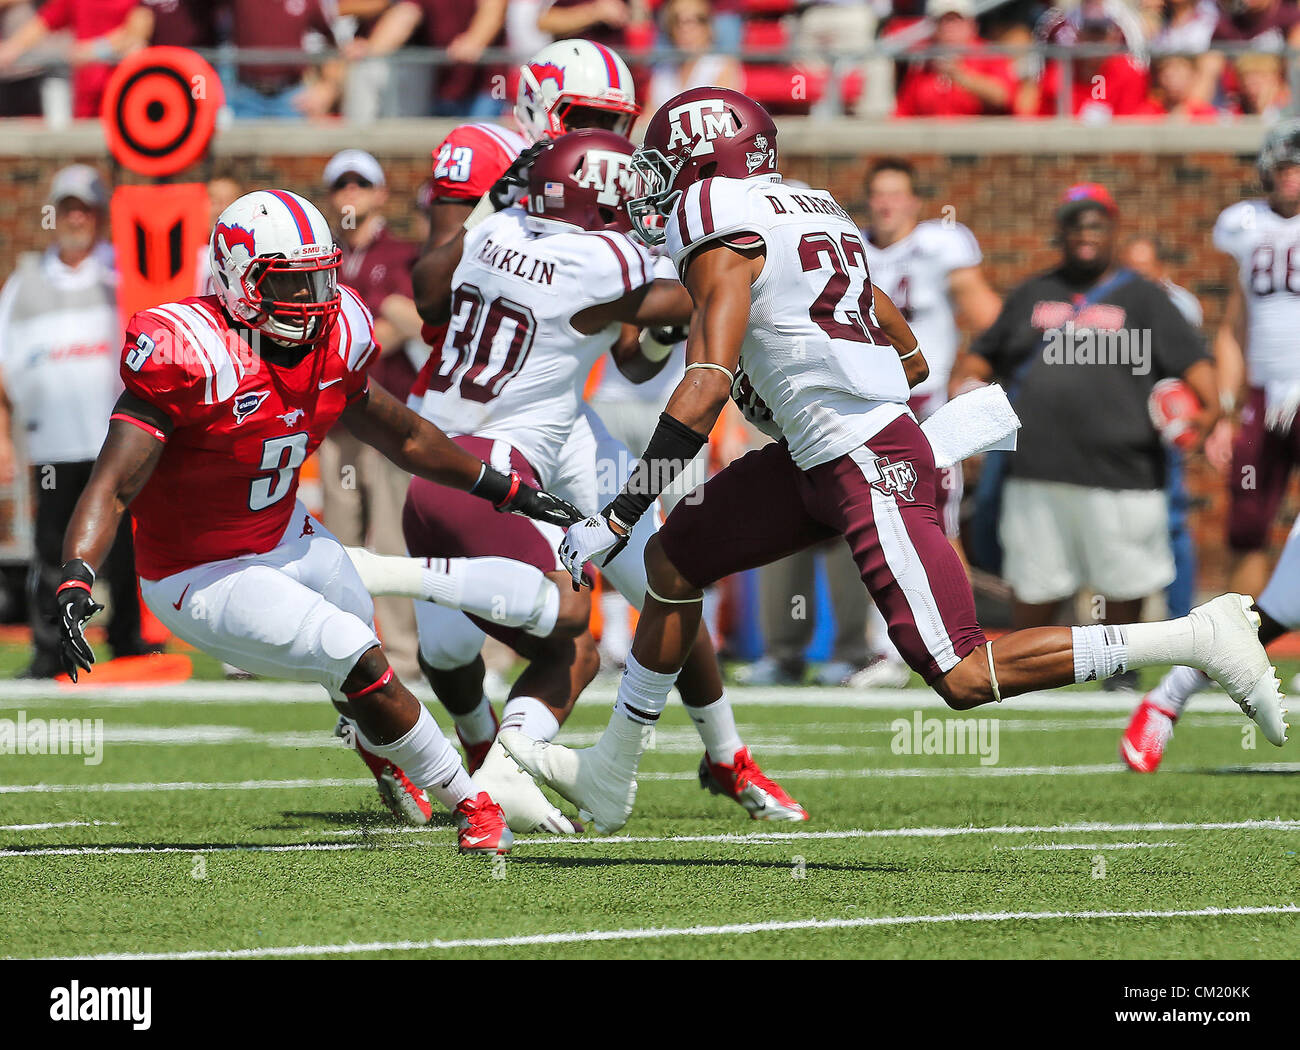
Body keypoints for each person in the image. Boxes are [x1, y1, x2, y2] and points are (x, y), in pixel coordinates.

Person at [498, 87, 1286, 834]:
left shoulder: (717, 216)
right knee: (673, 565)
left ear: (707, 167)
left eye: (667, 169)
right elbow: (904, 350)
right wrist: (806, 385)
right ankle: (612, 769)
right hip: (826, 448)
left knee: (961, 673)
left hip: (860, 458)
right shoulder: (807, 205)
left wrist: (617, 514)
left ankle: (1194, 638)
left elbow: (702, 385)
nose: (654, 190)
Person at [53, 188, 583, 855]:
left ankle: (379, 749)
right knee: (349, 651)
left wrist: (505, 489)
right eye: (293, 282)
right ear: (240, 281)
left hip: (283, 534)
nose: (315, 298)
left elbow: (408, 437)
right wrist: (76, 576)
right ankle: (474, 802)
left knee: (357, 643)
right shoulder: (188, 353)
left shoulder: (336, 338)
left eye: (321, 277)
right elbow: (114, 482)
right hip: (199, 571)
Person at [398, 43, 808, 829]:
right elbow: (430, 295)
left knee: (664, 566)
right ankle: (484, 764)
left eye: (611, 125)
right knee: (449, 648)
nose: (599, 143)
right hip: (469, 430)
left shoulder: (618, 201)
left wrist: (661, 323)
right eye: (583, 122)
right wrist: (512, 199)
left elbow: (635, 351)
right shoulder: (483, 157)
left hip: (558, 418)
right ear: (540, 112)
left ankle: (724, 753)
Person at [955, 184, 1218, 693]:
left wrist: (1203, 420)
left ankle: (1118, 674)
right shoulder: (1033, 292)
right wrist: (966, 393)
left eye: (1097, 224)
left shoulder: (1144, 297)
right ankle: (1023, 674)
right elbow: (979, 358)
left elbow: (1198, 370)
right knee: (1035, 582)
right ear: (1062, 232)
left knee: (1124, 582)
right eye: (1076, 224)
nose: (1086, 234)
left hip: (1125, 474)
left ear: (1113, 231)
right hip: (1036, 470)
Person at [1122, 121, 1300, 770]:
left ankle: (1172, 692)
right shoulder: (1245, 226)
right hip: (1265, 394)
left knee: (1288, 593)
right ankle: (1175, 688)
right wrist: (1225, 410)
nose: (1292, 175)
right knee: (1252, 545)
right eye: (1285, 164)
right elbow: (1236, 324)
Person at [855, 155, 1001, 687]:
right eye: (878, 193)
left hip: (925, 410)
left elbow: (990, 319)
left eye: (896, 193)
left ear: (915, 202)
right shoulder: (850, 248)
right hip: (865, 410)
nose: (886, 203)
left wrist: (967, 378)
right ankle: (885, 649)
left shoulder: (941, 245)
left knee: (937, 526)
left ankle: (963, 641)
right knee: (870, 526)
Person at [0, 165, 149, 678]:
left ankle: (128, 643)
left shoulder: (123, 271)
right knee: (49, 549)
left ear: (100, 215)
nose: (76, 217)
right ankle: (49, 652)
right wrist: (2, 437)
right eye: (68, 208)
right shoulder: (27, 281)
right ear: (55, 214)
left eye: (85, 207)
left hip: (117, 438)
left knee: (125, 546)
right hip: (53, 443)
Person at [317, 149, 423, 680]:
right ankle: (347, 649)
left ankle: (402, 654)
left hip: (386, 415)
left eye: (360, 184)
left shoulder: (399, 253)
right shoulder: (326, 257)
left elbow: (411, 320)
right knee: (337, 540)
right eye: (342, 185)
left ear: (380, 193)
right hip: (337, 416)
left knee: (390, 538)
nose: (350, 195)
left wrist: (354, 351)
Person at [1121, 234, 1203, 622]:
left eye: (1143, 270)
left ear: (1161, 270)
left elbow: (1185, 371)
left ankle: (1181, 623)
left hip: (1160, 428)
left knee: (1171, 524)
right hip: (1117, 431)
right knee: (1118, 528)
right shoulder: (1112, 302)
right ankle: (1120, 644)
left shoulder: (1179, 305)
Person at [349, 0, 508, 118]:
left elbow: (493, 10)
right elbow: (406, 14)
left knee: (487, 145)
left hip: (489, 83)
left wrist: (474, 40)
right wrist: (371, 49)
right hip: (443, 86)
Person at [0, 0, 153, 119]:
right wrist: (11, 48)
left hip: (125, 93)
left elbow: (136, 32)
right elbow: (43, 23)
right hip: (86, 98)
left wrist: (96, 50)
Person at [894, 0, 1019, 118]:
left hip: (981, 137)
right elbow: (902, 113)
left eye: (956, 19)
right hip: (934, 137)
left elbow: (1005, 98)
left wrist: (959, 75)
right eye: (942, 20)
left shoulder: (989, 55)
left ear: (972, 24)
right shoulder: (925, 63)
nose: (949, 27)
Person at [645, 0, 742, 115]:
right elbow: (648, 117)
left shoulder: (721, 66)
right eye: (677, 22)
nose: (685, 29)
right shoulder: (663, 71)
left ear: (707, 26)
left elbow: (718, 115)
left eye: (695, 20)